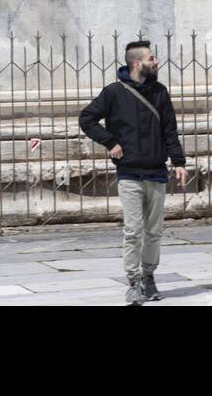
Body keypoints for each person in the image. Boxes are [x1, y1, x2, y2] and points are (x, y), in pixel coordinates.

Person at [78, 39, 187, 305]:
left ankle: (149, 275)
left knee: (154, 231)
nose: (156, 62)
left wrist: (179, 162)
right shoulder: (114, 93)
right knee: (133, 230)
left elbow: (169, 131)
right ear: (138, 63)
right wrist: (110, 142)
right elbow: (87, 119)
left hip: (156, 172)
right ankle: (134, 281)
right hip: (128, 173)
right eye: (152, 58)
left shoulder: (160, 92)